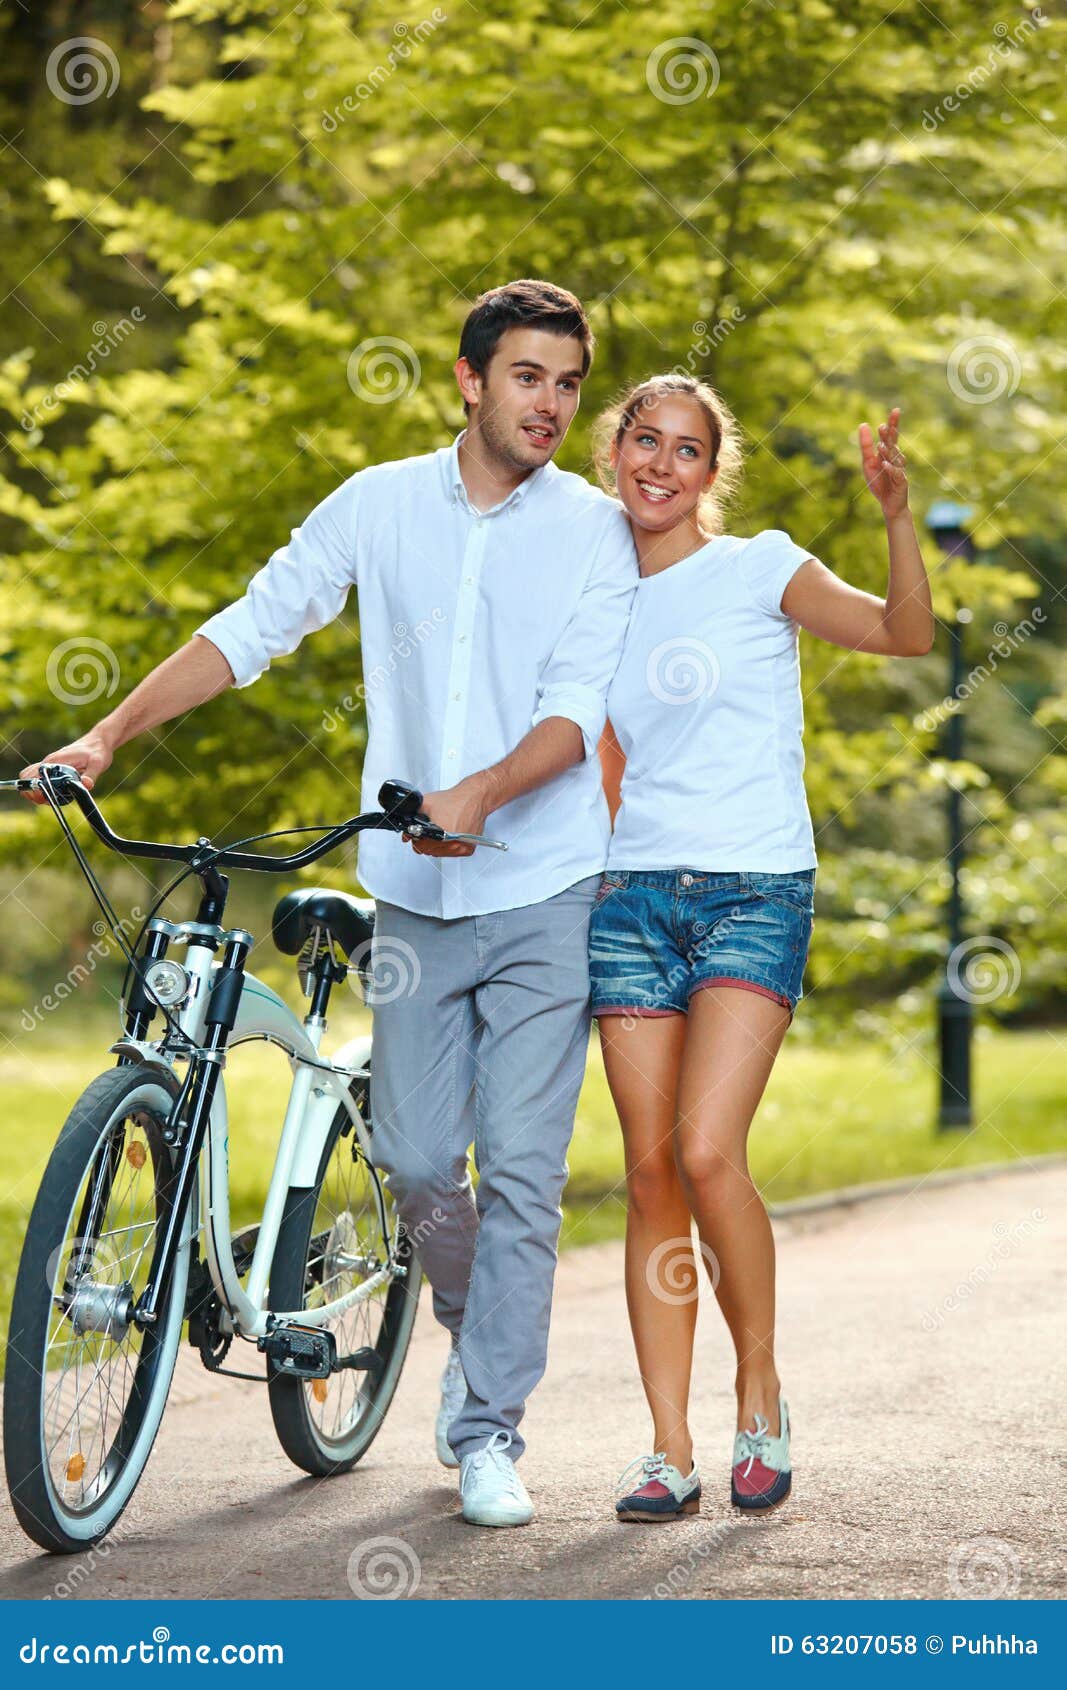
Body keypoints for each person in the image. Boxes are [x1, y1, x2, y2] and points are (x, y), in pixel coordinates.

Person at [20, 279, 639, 1528]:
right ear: (468, 380)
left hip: (545, 891)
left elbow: (576, 714)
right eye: (528, 377)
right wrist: (104, 734)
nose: (552, 406)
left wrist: (478, 791)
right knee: (416, 1161)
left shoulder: (592, 529)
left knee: (521, 1171)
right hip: (410, 897)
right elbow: (254, 626)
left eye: (568, 384)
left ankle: (484, 1425)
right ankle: (479, 1320)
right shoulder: (377, 505)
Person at [588, 374, 932, 1522]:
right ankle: (667, 1447)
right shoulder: (589, 601)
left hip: (754, 893)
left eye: (687, 450)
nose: (661, 465)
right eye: (645, 440)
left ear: (708, 473)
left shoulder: (757, 567)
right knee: (645, 1171)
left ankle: (759, 1390)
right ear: (615, 449)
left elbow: (903, 633)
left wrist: (892, 515)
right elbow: (599, 765)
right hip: (630, 897)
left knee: (702, 1150)